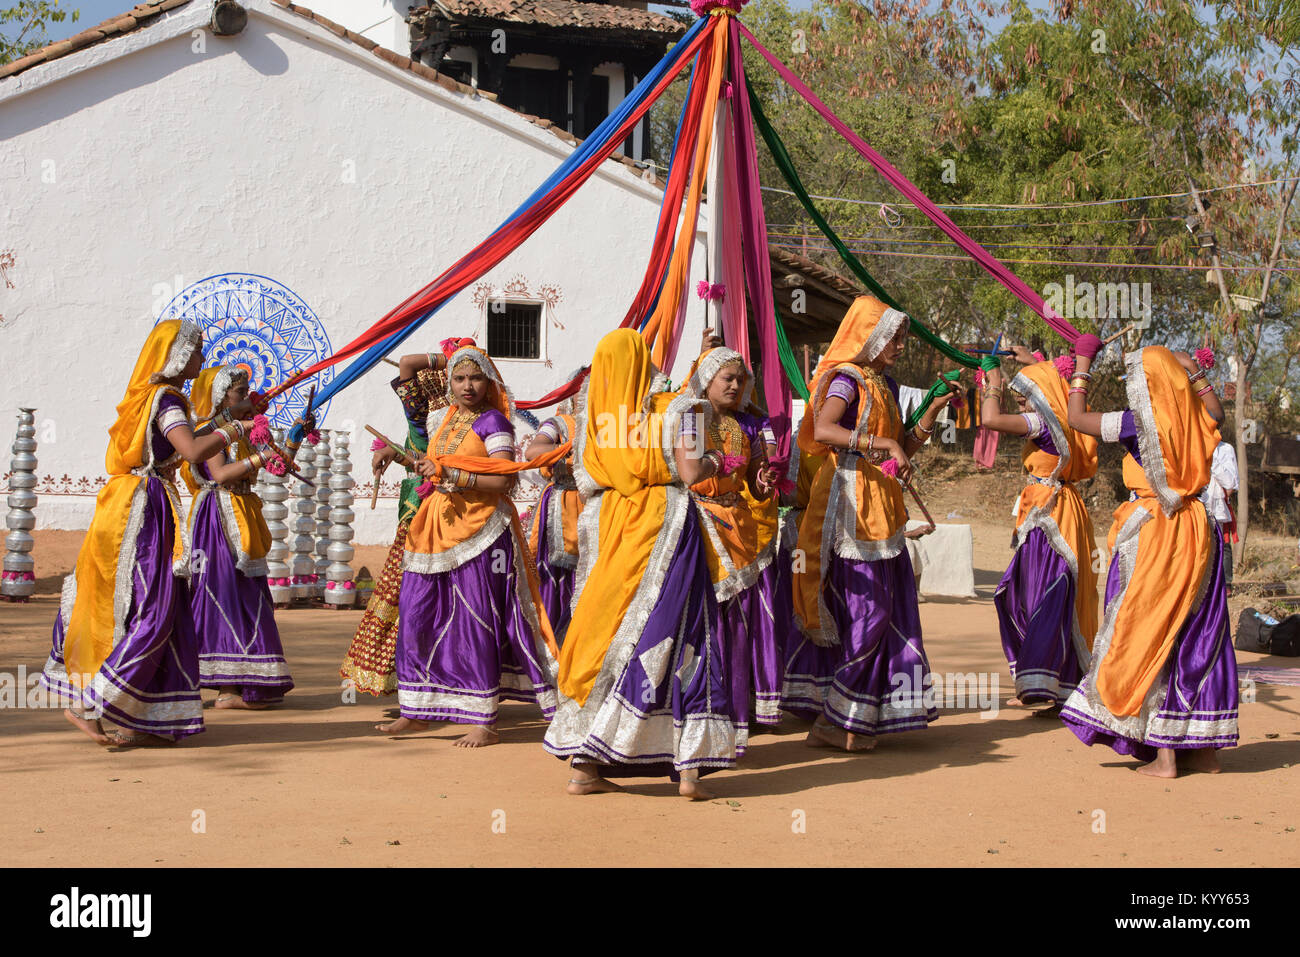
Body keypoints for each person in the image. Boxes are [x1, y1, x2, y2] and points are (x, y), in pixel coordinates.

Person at [41, 320, 257, 746]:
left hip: (131, 503)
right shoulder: (169, 399)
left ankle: (151, 717)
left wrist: (233, 419)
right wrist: (235, 430)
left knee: (164, 608)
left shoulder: (149, 397)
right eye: (196, 352)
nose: (200, 359)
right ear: (176, 356)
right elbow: (192, 451)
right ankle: (89, 704)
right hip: (143, 510)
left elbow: (186, 439)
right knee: (154, 611)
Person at [543, 329, 738, 799]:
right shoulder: (681, 407)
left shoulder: (594, 419)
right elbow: (691, 474)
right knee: (683, 634)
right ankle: (688, 768)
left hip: (611, 526)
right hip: (668, 526)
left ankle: (584, 767)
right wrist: (717, 458)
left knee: (606, 635)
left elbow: (583, 476)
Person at [1061, 342, 1237, 777]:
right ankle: (1207, 752)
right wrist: (1193, 370)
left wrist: (1082, 364)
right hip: (1201, 530)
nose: (1130, 386)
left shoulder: (1136, 421)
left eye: (1133, 379)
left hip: (1157, 532)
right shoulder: (1193, 416)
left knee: (1151, 630)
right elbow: (1216, 413)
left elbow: (1076, 418)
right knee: (1200, 632)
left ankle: (1166, 757)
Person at [787, 296, 955, 751]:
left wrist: (935, 408)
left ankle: (856, 717)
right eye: (893, 337)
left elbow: (900, 450)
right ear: (869, 337)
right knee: (868, 611)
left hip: (883, 508)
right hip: (848, 506)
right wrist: (880, 441)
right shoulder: (847, 379)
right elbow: (824, 431)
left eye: (902, 337)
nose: (900, 345)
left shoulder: (887, 384)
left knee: (892, 608)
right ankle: (832, 719)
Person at [377, 344, 558, 747]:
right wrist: (398, 455)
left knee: (473, 620)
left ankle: (484, 718)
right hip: (434, 529)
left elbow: (504, 481)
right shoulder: (444, 417)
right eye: (459, 378)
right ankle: (417, 710)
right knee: (416, 615)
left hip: (482, 533)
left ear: (488, 381)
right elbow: (432, 465)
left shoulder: (495, 423)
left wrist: (455, 478)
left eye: (475, 377)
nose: (467, 386)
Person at [339, 342, 462, 696]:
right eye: (458, 376)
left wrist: (395, 452)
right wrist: (462, 355)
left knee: (422, 596)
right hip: (430, 517)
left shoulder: (467, 419)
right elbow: (408, 363)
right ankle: (426, 680)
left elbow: (408, 363)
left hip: (444, 517)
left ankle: (431, 679)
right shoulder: (428, 418)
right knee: (423, 597)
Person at [979, 348, 1099, 709]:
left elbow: (990, 420)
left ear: (1043, 394)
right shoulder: (1060, 421)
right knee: (1050, 594)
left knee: (1039, 595)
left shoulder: (1042, 423)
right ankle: (1057, 681)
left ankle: (1039, 678)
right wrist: (1030, 359)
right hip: (1059, 513)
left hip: (1048, 518)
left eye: (1027, 391)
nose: (1021, 396)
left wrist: (993, 384)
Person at [673, 347, 782, 741]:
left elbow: (755, 473)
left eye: (741, 380)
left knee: (737, 623)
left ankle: (735, 716)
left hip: (738, 525)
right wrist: (718, 462)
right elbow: (687, 473)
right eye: (728, 379)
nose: (736, 385)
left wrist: (762, 482)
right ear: (707, 380)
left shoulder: (745, 424)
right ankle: (698, 715)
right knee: (703, 621)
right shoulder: (691, 417)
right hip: (697, 523)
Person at [183, 365, 304, 709]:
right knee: (224, 592)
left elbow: (279, 465)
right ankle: (227, 690)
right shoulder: (208, 431)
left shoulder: (241, 430)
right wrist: (260, 456)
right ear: (221, 397)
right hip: (217, 519)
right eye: (240, 392)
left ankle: (240, 685)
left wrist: (294, 437)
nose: (247, 397)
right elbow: (220, 474)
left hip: (243, 513)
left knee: (248, 594)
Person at [523, 377, 587, 646]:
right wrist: (574, 450)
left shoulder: (613, 424)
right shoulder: (560, 424)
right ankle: (552, 645)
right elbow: (533, 451)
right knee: (555, 577)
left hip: (598, 504)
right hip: (562, 503)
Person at [1200, 440, 1239, 594]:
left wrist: (1212, 461)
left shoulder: (1226, 449)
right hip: (1198, 502)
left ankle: (1225, 583)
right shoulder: (1192, 443)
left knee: (1223, 544)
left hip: (1217, 503)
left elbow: (1231, 482)